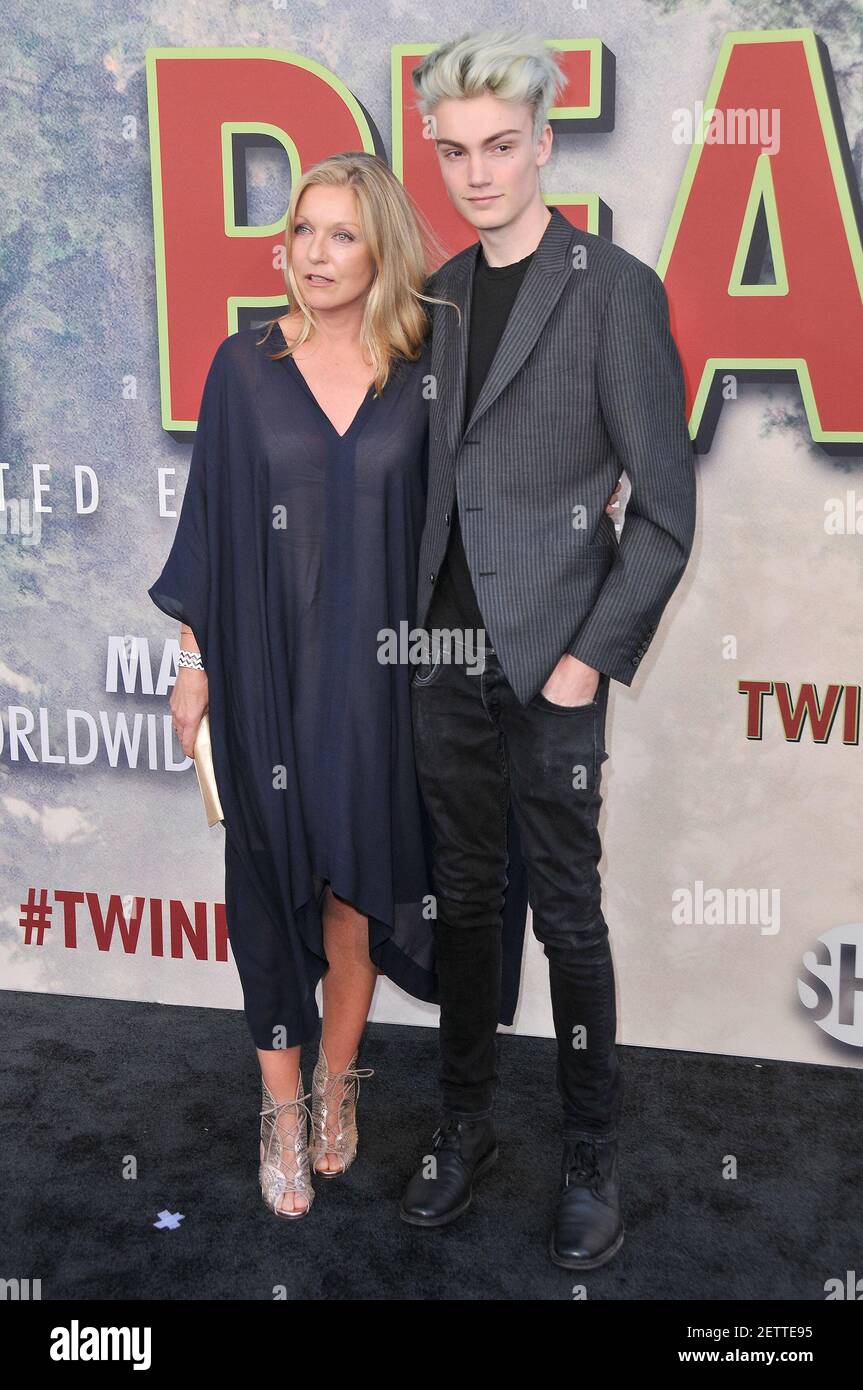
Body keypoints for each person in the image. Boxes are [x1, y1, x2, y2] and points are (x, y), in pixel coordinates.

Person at [149, 153, 563, 1220]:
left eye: (342, 235)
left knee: (354, 896)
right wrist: (193, 661)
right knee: (267, 890)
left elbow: (480, 501)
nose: (316, 255)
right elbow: (210, 525)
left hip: (382, 684)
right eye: (303, 231)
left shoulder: (422, 370)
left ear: (381, 251)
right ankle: (281, 1112)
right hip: (265, 676)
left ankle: (338, 1086)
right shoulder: (243, 365)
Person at [399, 28, 697, 1269]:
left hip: (555, 662)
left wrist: (584, 660)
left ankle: (586, 1150)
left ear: (543, 145)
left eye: (499, 146)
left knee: (566, 916)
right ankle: (463, 1122)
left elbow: (664, 514)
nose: (476, 173)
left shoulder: (611, 289)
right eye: (453, 151)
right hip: (440, 659)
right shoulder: (435, 295)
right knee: (464, 904)